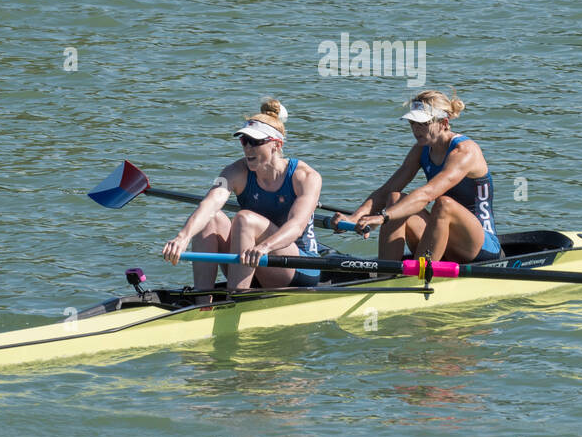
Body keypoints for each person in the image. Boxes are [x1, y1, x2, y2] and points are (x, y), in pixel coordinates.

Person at [161, 99, 323, 295]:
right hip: (252, 260)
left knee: (244, 220)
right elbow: (209, 204)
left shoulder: (306, 176)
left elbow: (296, 227)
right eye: (244, 140)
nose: (248, 148)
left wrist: (264, 247)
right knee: (212, 218)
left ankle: (236, 299)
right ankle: (202, 303)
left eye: (255, 142)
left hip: (298, 266)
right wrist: (182, 237)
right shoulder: (234, 171)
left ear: (276, 144)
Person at [335, 90, 501, 264]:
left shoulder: (465, 151)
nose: (416, 129)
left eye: (423, 123)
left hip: (481, 246)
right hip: (443, 238)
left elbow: (427, 194)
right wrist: (355, 217)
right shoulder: (421, 149)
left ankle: (420, 278)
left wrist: (382, 217)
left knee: (444, 204)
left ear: (444, 123)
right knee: (395, 197)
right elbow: (387, 190)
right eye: (413, 122)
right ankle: (385, 274)